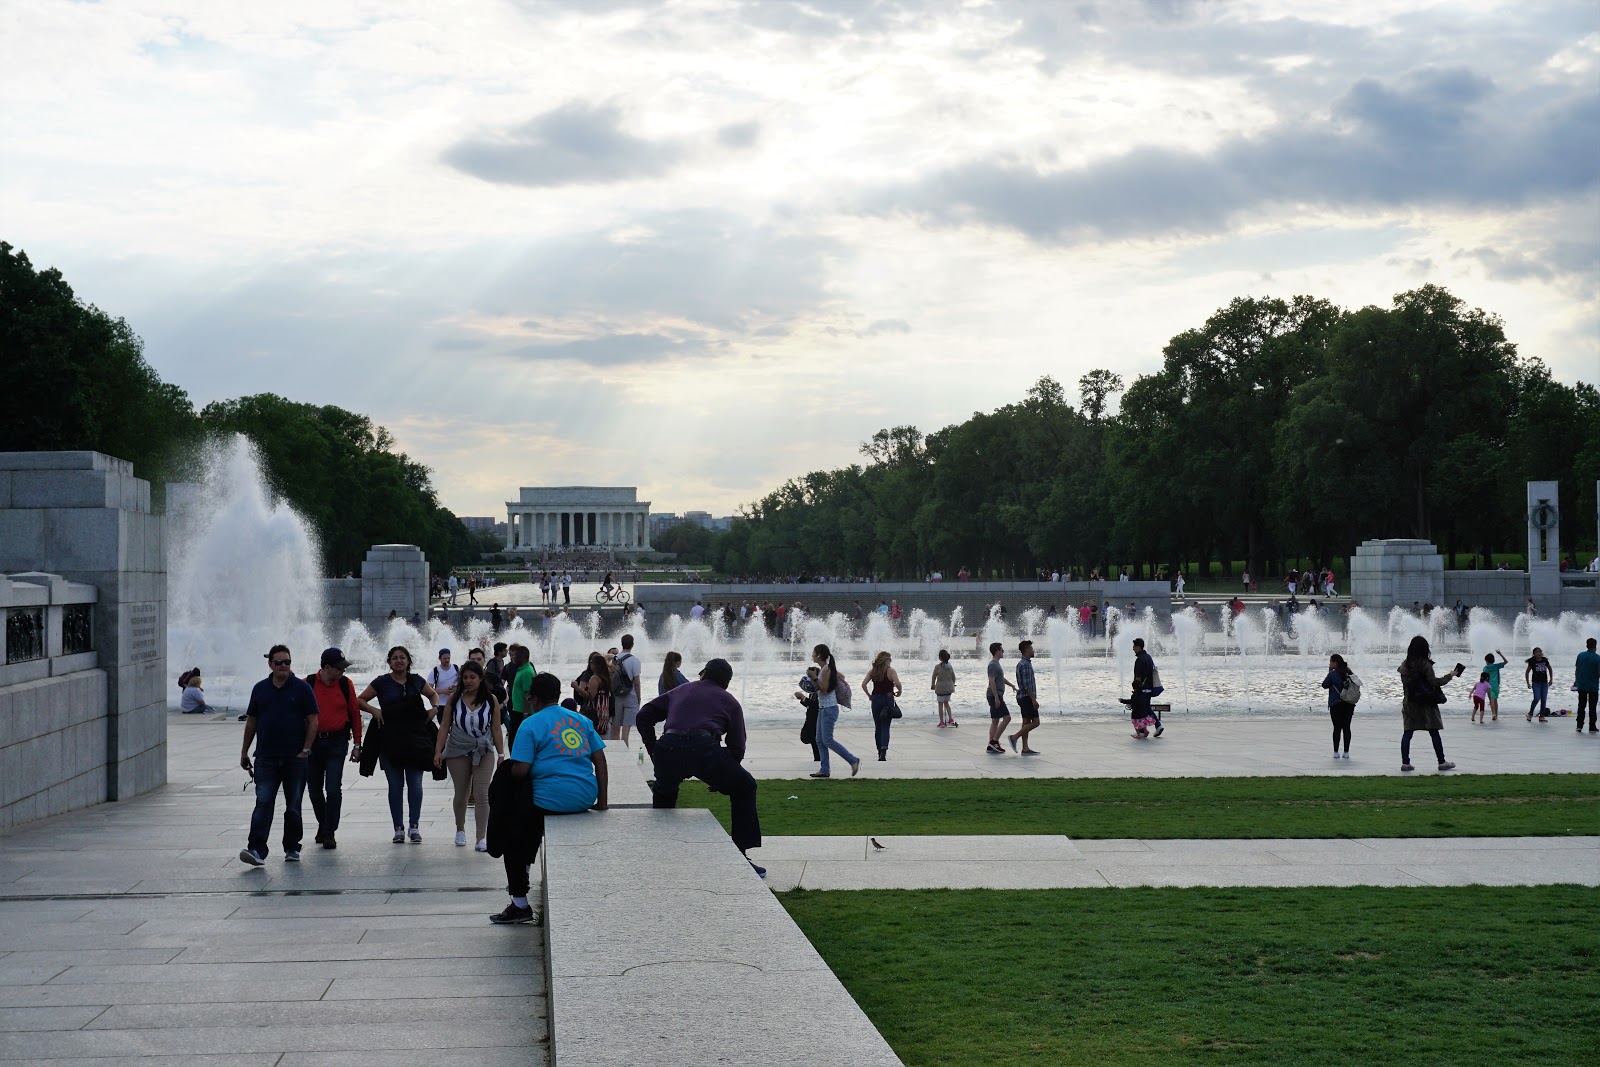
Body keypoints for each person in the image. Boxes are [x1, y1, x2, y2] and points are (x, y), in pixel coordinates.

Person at [488, 672, 608, 925]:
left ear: (531, 697)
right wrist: (602, 801)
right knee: (525, 816)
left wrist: (505, 769)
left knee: (513, 833)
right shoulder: (581, 720)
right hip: (585, 796)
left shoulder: (530, 724)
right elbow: (600, 760)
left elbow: (521, 770)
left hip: (549, 800)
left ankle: (520, 904)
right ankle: (526, 870)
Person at [637, 658, 764, 876]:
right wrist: (722, 777)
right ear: (727, 682)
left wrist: (654, 750)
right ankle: (740, 856)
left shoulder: (679, 691)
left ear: (703, 673)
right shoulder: (729, 701)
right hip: (705, 748)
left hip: (669, 748)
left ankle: (659, 854)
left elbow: (643, 715)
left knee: (664, 793)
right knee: (745, 787)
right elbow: (737, 746)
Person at [238, 645, 319, 865]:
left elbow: (313, 720)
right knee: (263, 802)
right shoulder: (260, 689)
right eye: (279, 662)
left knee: (293, 804)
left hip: (296, 758)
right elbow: (252, 720)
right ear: (270, 664)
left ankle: (292, 847)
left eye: (287, 662)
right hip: (265, 757)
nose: (284, 666)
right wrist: (244, 751)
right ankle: (256, 850)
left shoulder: (302, 688)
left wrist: (306, 749)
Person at [356, 646, 439, 842]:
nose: (399, 661)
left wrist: (434, 709)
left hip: (415, 740)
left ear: (409, 661)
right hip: (390, 740)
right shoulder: (382, 682)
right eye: (395, 658)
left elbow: (433, 695)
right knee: (395, 785)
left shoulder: (416, 680)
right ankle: (398, 828)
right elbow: (360, 699)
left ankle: (414, 826)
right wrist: (374, 711)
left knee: (415, 784)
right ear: (389, 662)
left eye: (402, 658)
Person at [433, 659, 505, 851]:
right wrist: (438, 751)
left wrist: (500, 753)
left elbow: (496, 728)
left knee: (482, 793)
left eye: (472, 677)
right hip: (457, 749)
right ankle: (460, 829)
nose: (468, 681)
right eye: (465, 678)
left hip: (484, 749)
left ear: (481, 678)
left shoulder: (491, 700)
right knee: (462, 792)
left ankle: (481, 837)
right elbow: (445, 726)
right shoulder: (454, 699)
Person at [305, 648, 363, 849]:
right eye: (339, 668)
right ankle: (324, 824)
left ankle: (329, 832)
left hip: (337, 742)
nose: (342, 672)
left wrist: (357, 744)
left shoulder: (346, 684)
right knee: (313, 790)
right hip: (311, 744)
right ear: (326, 667)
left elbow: (355, 714)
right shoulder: (308, 683)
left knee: (333, 788)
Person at [1398, 635, 1461, 772]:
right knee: (1434, 731)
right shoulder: (1425, 664)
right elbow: (1434, 683)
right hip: (1426, 703)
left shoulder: (1404, 665)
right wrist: (1450, 675)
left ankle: (1405, 763)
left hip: (1410, 703)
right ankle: (1441, 761)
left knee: (1407, 733)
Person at [808, 643, 861, 778]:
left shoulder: (826, 669)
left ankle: (853, 760)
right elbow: (841, 676)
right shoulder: (826, 669)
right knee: (819, 740)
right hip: (823, 708)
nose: (812, 655)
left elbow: (825, 689)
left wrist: (814, 677)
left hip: (829, 709)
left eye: (813, 653)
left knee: (828, 740)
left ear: (819, 655)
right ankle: (824, 769)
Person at [862, 651, 901, 761]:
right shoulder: (891, 671)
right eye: (890, 659)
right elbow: (897, 684)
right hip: (888, 700)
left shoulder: (873, 671)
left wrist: (869, 695)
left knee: (878, 726)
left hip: (876, 699)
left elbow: (863, 684)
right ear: (886, 660)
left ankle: (879, 750)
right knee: (885, 726)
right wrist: (900, 691)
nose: (891, 661)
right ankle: (884, 750)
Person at [1320, 653, 1357, 757]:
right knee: (1346, 727)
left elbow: (1324, 685)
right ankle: (1346, 752)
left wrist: (1329, 672)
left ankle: (1336, 752)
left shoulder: (1332, 674)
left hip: (1336, 704)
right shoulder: (1349, 672)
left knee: (1337, 728)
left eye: (1330, 662)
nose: (1329, 664)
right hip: (1349, 704)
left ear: (1335, 663)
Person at [1009, 640, 1041, 754]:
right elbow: (1027, 685)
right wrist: (1034, 700)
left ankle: (1025, 748)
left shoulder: (1023, 663)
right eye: (1031, 649)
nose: (1033, 650)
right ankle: (1014, 737)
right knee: (1036, 722)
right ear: (1027, 650)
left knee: (1026, 722)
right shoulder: (1025, 664)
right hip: (1027, 697)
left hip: (1023, 697)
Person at [609, 634, 643, 745]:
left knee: (616, 726)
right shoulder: (635, 661)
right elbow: (637, 682)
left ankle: (616, 750)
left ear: (621, 643)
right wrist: (639, 697)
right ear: (632, 644)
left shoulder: (614, 659)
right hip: (631, 695)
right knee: (626, 728)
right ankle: (625, 750)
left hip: (617, 696)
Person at [505, 643, 537, 747]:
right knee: (513, 739)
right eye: (512, 655)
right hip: (516, 709)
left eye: (516, 656)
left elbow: (528, 695)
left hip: (521, 712)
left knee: (515, 741)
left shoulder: (527, 672)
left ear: (523, 657)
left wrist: (526, 714)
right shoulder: (521, 669)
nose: (513, 658)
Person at [574, 651, 613, 734]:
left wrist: (577, 688)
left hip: (595, 709)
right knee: (601, 735)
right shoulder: (606, 677)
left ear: (595, 665)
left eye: (591, 662)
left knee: (592, 733)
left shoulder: (594, 678)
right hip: (604, 710)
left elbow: (590, 696)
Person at [985, 642, 1013, 755]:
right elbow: (991, 681)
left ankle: (991, 745)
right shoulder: (992, 664)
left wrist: (1011, 685)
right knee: (1007, 718)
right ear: (997, 651)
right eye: (1001, 650)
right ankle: (994, 741)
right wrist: (997, 697)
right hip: (994, 695)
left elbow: (1000, 678)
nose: (1003, 651)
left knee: (995, 720)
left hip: (994, 695)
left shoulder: (996, 664)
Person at [795, 665, 821, 760]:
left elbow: (815, 705)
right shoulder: (812, 693)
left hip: (816, 718)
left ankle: (818, 757)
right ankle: (817, 757)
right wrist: (802, 699)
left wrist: (803, 697)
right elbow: (810, 705)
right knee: (810, 736)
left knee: (815, 738)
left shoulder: (819, 691)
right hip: (811, 717)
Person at [1576, 637, 1600, 733]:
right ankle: (1592, 726)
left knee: (1581, 706)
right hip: (1593, 686)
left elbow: (1577, 670)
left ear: (1586, 645)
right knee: (1592, 707)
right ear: (1595, 646)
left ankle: (1579, 725)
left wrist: (1576, 681)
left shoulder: (1580, 655)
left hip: (1581, 684)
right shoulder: (1597, 658)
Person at [1524, 647, 1554, 722]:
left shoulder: (1545, 660)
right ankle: (1530, 713)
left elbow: (1550, 669)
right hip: (1536, 683)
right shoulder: (1532, 661)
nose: (1539, 653)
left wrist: (1551, 679)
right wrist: (1528, 683)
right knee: (1537, 698)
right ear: (1534, 654)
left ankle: (1542, 716)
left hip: (1544, 683)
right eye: (1537, 652)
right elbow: (1527, 672)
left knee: (1544, 700)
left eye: (1540, 652)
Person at [428, 649, 458, 720]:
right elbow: (428, 690)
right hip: (440, 704)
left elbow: (463, 684)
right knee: (443, 727)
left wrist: (455, 689)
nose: (447, 660)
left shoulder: (456, 668)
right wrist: (442, 691)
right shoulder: (435, 671)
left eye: (448, 658)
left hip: (455, 703)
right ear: (439, 658)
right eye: (444, 658)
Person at [931, 649, 957, 728]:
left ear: (940, 658)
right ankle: (951, 719)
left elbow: (934, 677)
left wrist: (932, 685)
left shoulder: (937, 667)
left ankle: (942, 722)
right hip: (949, 688)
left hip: (940, 688)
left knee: (940, 704)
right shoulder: (950, 667)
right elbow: (954, 677)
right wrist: (952, 684)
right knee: (947, 703)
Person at [1482, 650, 1508, 721]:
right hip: (1496, 685)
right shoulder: (1496, 666)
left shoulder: (1486, 668)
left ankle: (1493, 713)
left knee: (1491, 700)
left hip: (1489, 685)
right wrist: (1500, 653)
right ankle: (1496, 715)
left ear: (1487, 661)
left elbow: (1484, 678)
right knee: (1495, 700)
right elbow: (1506, 661)